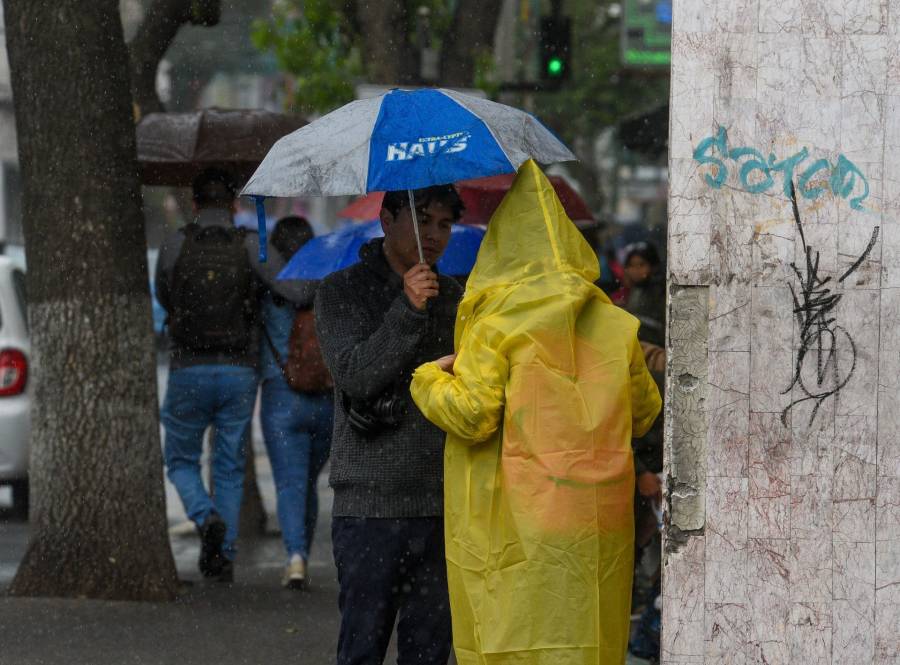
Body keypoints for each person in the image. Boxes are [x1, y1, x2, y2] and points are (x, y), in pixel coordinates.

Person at [410, 160, 661, 665]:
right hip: (594, 524)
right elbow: (643, 413)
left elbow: (473, 415)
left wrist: (429, 378)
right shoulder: (616, 326)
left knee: (516, 639)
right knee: (583, 638)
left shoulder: (497, 324)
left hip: (516, 524)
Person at [314, 185, 464, 665]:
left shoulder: (457, 296)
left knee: (431, 649)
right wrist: (407, 308)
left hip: (443, 502)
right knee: (362, 646)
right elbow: (355, 375)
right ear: (387, 219)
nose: (435, 235)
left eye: (444, 224)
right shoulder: (341, 291)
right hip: (370, 507)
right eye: (423, 221)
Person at [155, 168, 314, 583]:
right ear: (233, 204)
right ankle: (221, 555)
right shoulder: (250, 245)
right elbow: (296, 291)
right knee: (228, 464)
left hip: (188, 366)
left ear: (193, 204)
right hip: (239, 371)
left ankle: (204, 516)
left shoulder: (175, 243)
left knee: (180, 458)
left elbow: (163, 294)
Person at [258, 216, 333, 589]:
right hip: (324, 398)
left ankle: (296, 556)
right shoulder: (327, 284)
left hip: (281, 395)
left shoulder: (270, 287)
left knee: (289, 482)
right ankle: (302, 550)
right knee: (308, 481)